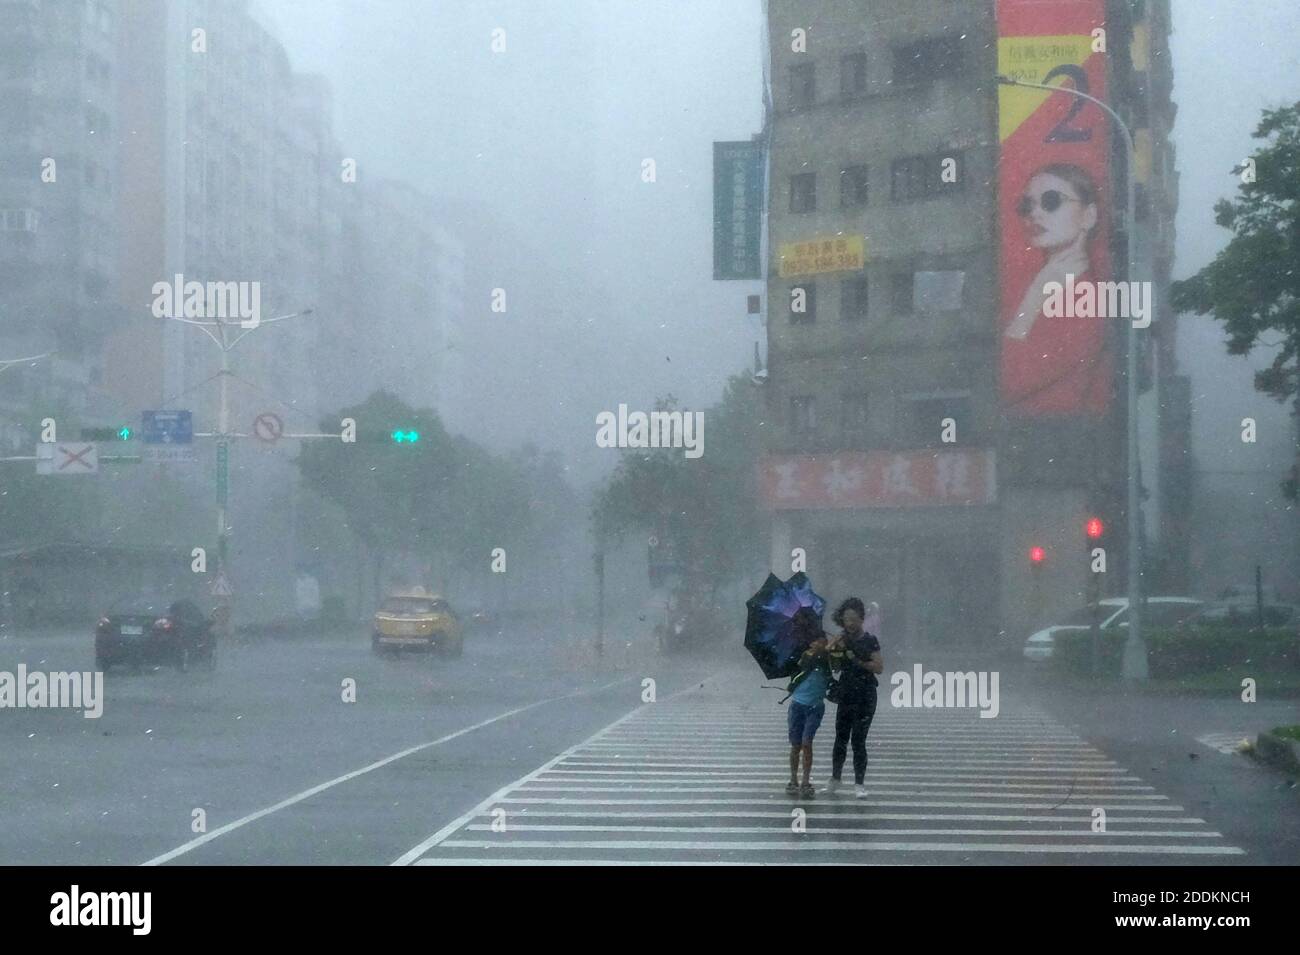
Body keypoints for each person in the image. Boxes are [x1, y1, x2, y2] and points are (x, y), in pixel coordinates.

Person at [1002, 162, 1110, 413]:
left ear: (1089, 216)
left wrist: (1037, 291)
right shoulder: (1035, 284)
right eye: (1027, 206)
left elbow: (1007, 381)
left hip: (1055, 436)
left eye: (1051, 201)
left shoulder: (1087, 301)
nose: (1035, 214)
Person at [824, 597, 884, 798]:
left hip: (866, 695)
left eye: (854, 618)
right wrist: (834, 653)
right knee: (840, 738)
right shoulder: (840, 640)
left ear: (861, 619)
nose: (850, 623)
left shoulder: (870, 640)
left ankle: (859, 784)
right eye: (846, 618)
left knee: (859, 740)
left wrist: (857, 659)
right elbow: (836, 668)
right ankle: (835, 778)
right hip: (846, 693)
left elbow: (879, 667)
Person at [785, 612, 831, 800]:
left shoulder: (827, 659)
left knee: (807, 743)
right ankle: (793, 779)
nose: (821, 644)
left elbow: (835, 669)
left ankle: (805, 780)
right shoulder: (803, 657)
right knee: (796, 745)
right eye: (817, 641)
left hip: (815, 707)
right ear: (811, 642)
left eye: (823, 641)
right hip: (798, 705)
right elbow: (799, 669)